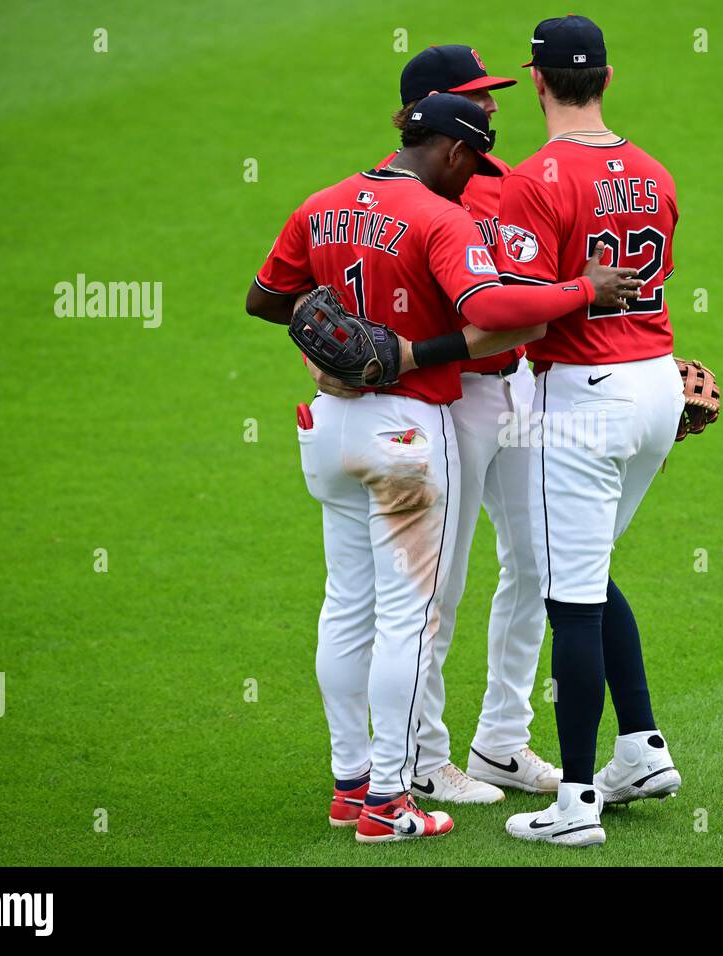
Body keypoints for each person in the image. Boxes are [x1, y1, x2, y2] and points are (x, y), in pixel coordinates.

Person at [245, 93, 640, 843]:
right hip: (402, 435)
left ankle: (349, 783)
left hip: (327, 429)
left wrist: (326, 335)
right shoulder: (438, 216)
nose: (479, 176)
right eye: (478, 159)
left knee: (345, 606)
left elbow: (265, 299)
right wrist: (587, 290)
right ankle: (389, 802)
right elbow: (490, 313)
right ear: (454, 153)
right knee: (408, 619)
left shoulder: (322, 203)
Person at [494, 16, 686, 847]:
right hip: (657, 383)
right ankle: (640, 749)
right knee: (591, 569)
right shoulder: (654, 171)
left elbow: (516, 309)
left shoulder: (532, 180)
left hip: (581, 396)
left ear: (535, 81)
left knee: (569, 596)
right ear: (607, 77)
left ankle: (574, 803)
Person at [379, 45, 560, 805]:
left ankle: (501, 742)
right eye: (475, 98)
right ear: (431, 113)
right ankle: (422, 755)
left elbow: (542, 290)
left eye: (491, 95)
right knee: (436, 585)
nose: (492, 108)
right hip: (447, 401)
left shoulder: (506, 183)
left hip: (516, 390)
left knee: (542, 562)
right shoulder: (418, 196)